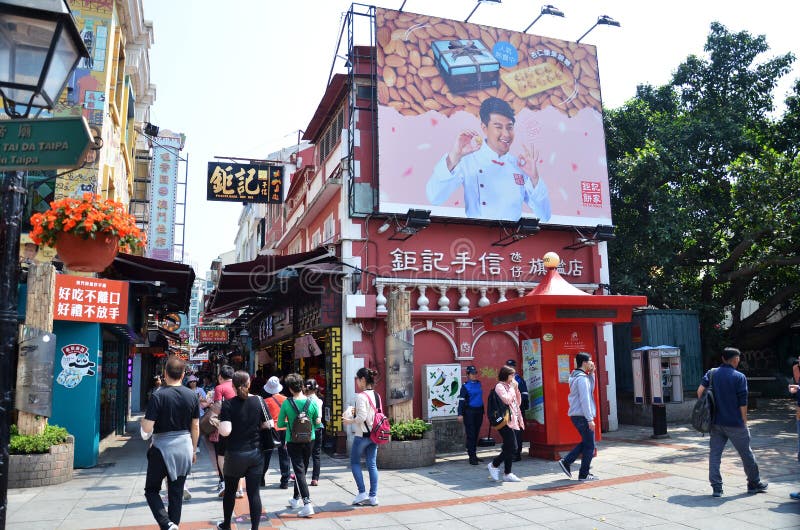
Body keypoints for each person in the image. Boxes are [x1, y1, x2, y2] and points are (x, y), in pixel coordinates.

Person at [426, 96, 551, 222]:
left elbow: (544, 216)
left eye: (509, 127)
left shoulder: (520, 166)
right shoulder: (468, 160)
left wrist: (534, 178)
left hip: (511, 239)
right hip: (478, 236)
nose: (506, 134)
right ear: (484, 128)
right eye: (498, 127)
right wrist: (454, 157)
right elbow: (434, 197)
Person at [696, 347, 768, 498]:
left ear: (723, 359)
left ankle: (717, 488)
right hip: (735, 423)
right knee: (746, 454)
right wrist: (744, 421)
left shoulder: (712, 373)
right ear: (735, 359)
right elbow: (743, 402)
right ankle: (753, 484)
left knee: (715, 455)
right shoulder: (739, 376)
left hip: (715, 423)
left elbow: (700, 392)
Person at [141, 356, 199, 530]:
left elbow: (148, 427)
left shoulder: (158, 396)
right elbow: (195, 426)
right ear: (183, 375)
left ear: (165, 374)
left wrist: (142, 423)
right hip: (184, 447)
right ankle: (173, 525)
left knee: (151, 490)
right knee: (176, 492)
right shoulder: (192, 396)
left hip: (160, 448)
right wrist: (194, 450)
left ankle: (166, 523)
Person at [216, 371, 270, 530]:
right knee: (254, 494)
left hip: (234, 455)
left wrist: (216, 423)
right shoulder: (259, 401)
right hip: (255, 454)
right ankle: (254, 528)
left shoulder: (228, 404)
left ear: (233, 386)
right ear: (249, 383)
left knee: (230, 491)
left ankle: (226, 524)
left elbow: (225, 431)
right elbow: (269, 425)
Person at [278, 373, 320, 518]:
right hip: (310, 439)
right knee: (302, 470)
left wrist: (290, 424)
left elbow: (279, 424)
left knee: (298, 471)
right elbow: (317, 422)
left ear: (290, 389)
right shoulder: (312, 402)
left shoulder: (287, 403)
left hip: (293, 440)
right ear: (302, 386)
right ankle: (296, 498)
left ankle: (307, 503)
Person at [342, 367, 381, 505]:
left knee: (354, 462)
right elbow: (375, 413)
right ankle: (373, 496)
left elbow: (362, 417)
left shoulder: (361, 396)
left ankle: (362, 492)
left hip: (362, 435)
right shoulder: (377, 395)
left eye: (358, 379)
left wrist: (349, 421)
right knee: (372, 464)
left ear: (363, 380)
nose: (357, 382)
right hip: (374, 435)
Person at [558, 352, 598, 481]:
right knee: (590, 445)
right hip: (582, 416)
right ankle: (582, 473)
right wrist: (590, 419)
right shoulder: (581, 379)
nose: (592, 363)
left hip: (578, 415)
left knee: (587, 443)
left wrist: (592, 373)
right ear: (585, 363)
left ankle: (568, 462)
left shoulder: (578, 376)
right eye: (590, 361)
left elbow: (590, 389)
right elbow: (585, 399)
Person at [487, 365, 523, 482]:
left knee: (508, 447)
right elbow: (507, 400)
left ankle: (507, 473)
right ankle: (494, 465)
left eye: (514, 375)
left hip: (513, 420)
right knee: (513, 447)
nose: (513, 377)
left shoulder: (510, 386)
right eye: (511, 375)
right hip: (504, 421)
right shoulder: (500, 386)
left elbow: (518, 402)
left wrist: (516, 389)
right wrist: (512, 389)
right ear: (505, 375)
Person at [211, 365, 242, 498]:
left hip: (226, 424)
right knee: (238, 454)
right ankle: (240, 488)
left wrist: (209, 404)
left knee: (222, 454)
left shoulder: (220, 387)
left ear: (220, 377)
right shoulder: (239, 385)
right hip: (241, 424)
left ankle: (226, 483)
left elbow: (217, 408)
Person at [262, 375, 292, 489]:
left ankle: (261, 478)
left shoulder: (265, 401)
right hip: (285, 428)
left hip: (271, 429)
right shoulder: (286, 400)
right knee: (284, 455)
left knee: (267, 454)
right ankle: (285, 480)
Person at [457, 365, 484, 465]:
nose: (474, 375)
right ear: (467, 375)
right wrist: (460, 414)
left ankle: (474, 454)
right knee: (471, 434)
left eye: (475, 373)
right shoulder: (465, 386)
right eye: (472, 374)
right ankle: (471, 457)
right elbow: (461, 401)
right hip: (469, 413)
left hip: (479, 411)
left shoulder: (478, 384)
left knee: (476, 434)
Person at [505, 359, 528, 461]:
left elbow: (524, 395)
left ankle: (517, 454)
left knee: (517, 432)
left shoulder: (518, 380)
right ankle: (512, 452)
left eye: (512, 367)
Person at [304, 379, 325, 485]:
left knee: (305, 454)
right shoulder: (319, 400)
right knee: (316, 454)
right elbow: (319, 420)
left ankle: (301, 475)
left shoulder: (304, 400)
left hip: (308, 430)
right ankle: (315, 478)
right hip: (318, 429)